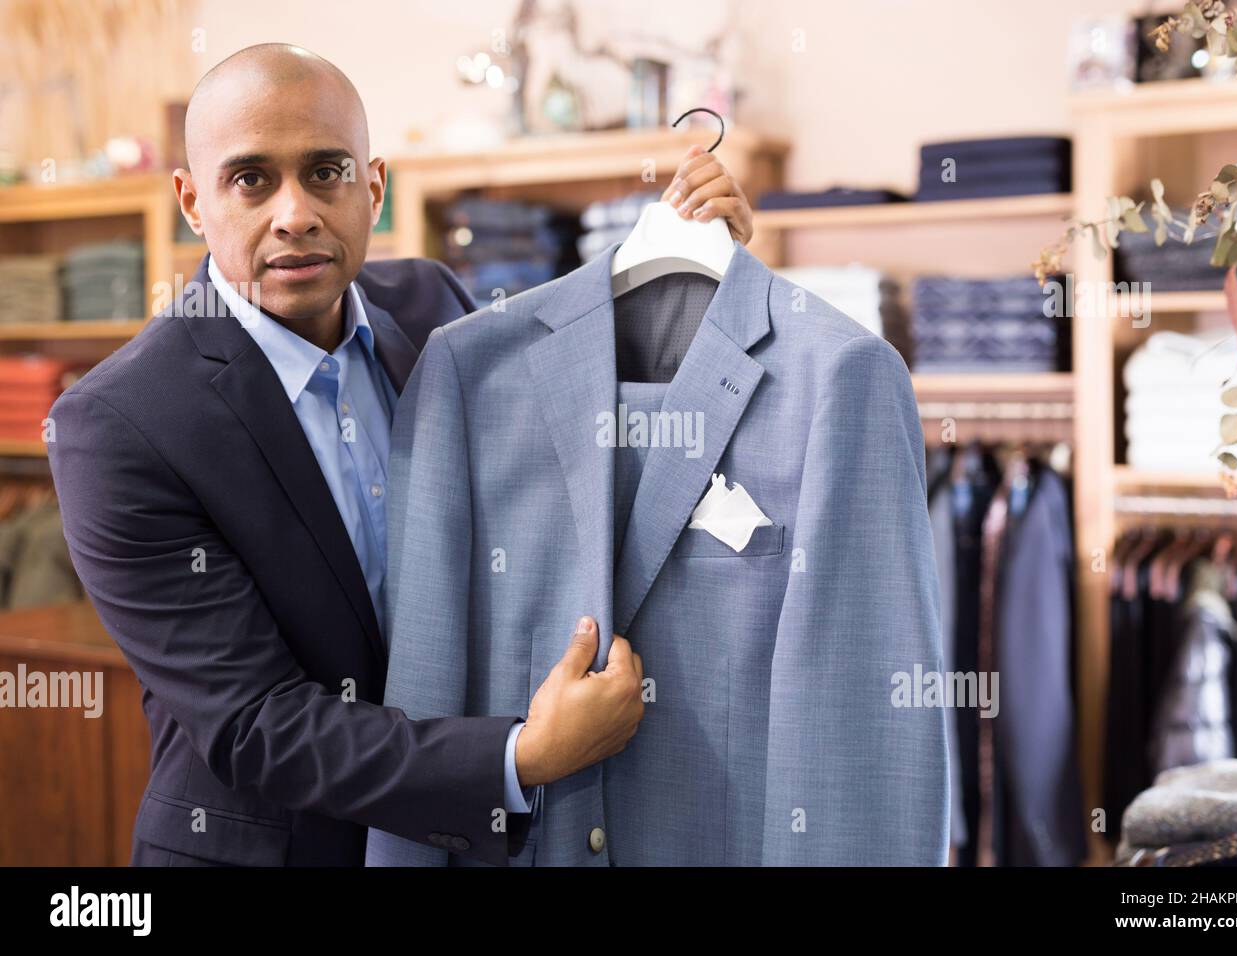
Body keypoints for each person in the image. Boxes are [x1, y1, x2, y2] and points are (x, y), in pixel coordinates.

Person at [47, 43, 756, 867]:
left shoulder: (432, 310)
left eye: (326, 171)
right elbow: (255, 725)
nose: (295, 213)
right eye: (251, 180)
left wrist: (706, 270)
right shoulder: (119, 425)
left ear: (373, 187)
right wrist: (521, 758)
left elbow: (592, 416)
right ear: (192, 202)